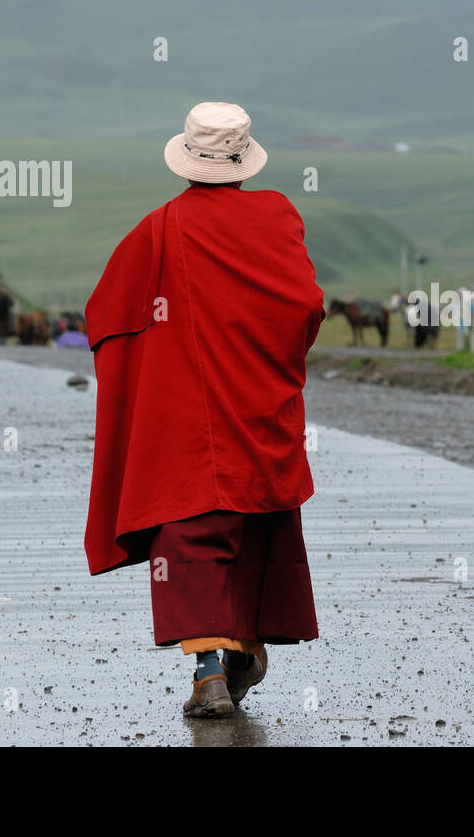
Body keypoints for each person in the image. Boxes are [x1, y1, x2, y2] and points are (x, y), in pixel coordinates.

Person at [84, 102, 324, 718]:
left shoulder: (159, 229)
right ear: (244, 162)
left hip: (188, 420)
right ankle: (243, 648)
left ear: (186, 162)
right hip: (257, 405)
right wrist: (267, 358)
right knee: (254, 524)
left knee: (189, 533)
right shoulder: (277, 218)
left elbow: (106, 316)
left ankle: (209, 669)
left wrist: (152, 365)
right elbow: (305, 307)